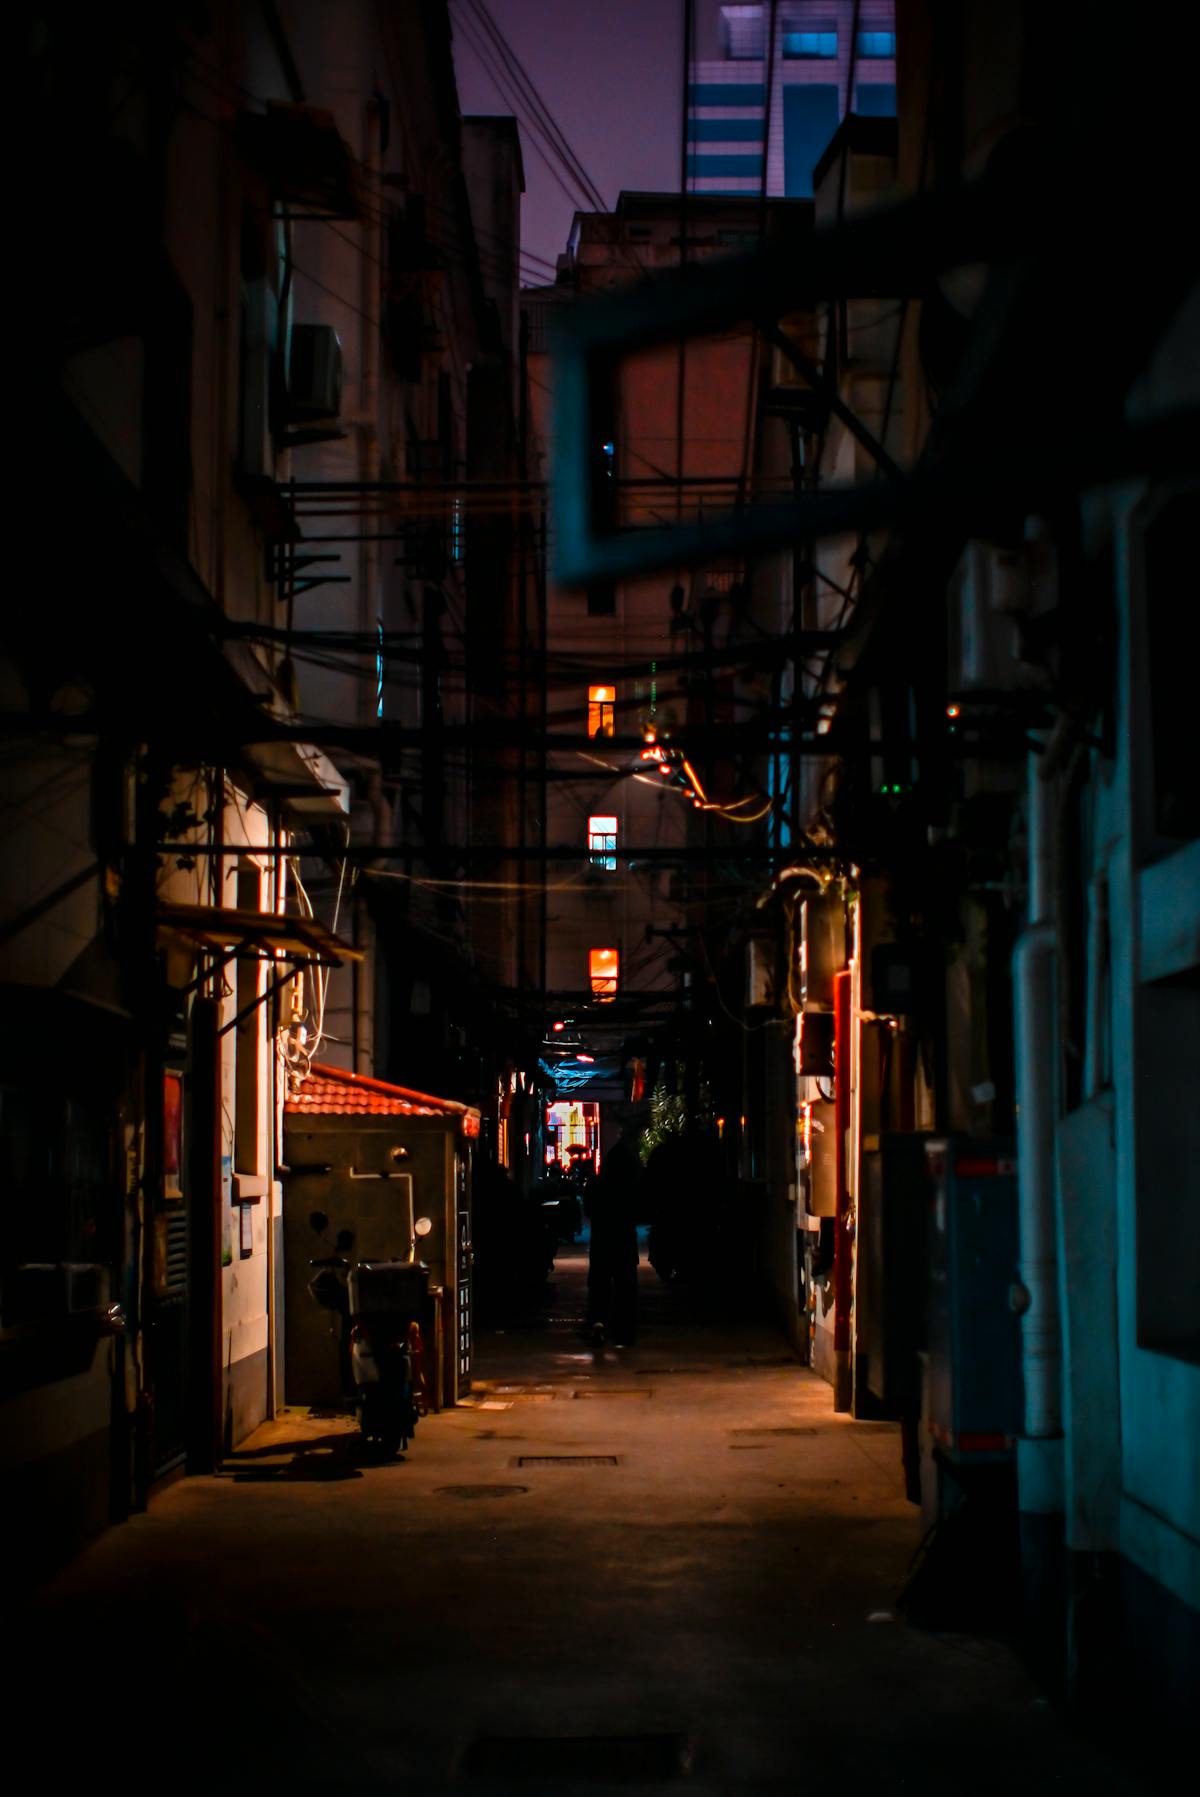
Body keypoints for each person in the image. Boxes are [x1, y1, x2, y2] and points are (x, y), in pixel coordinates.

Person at [585, 1116, 643, 1346]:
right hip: (623, 1240)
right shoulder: (629, 1188)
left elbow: (589, 1209)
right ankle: (624, 1332)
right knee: (625, 1287)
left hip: (601, 1240)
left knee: (599, 1285)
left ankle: (598, 1322)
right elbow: (639, 1209)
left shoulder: (597, 1186)